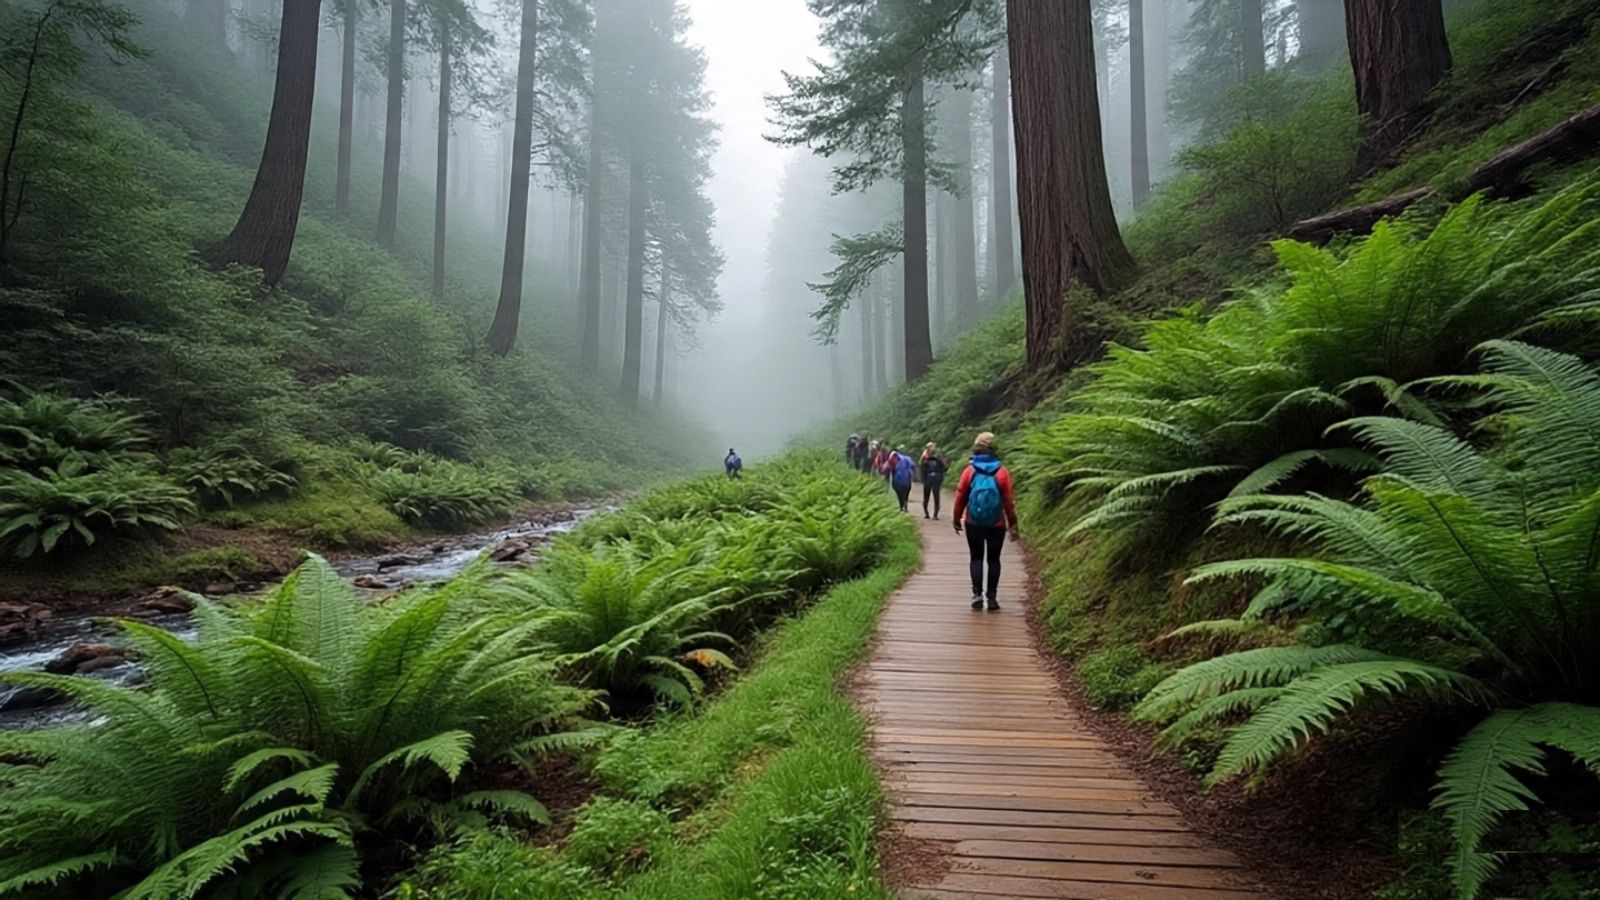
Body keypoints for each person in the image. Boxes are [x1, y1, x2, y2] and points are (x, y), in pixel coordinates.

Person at [952, 432, 1019, 611]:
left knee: (976, 558)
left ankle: (976, 595)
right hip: (996, 523)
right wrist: (1013, 523)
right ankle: (992, 598)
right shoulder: (1002, 472)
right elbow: (1008, 501)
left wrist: (956, 518)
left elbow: (960, 496)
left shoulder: (970, 470)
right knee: (994, 560)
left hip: (973, 521)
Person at [919, 442, 948, 520]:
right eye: (930, 447)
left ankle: (935, 514)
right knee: (926, 497)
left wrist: (940, 476)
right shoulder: (924, 457)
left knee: (936, 496)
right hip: (928, 478)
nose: (932, 449)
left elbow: (945, 468)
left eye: (932, 447)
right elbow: (922, 469)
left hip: (936, 477)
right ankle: (926, 513)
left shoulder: (938, 457)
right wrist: (923, 479)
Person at [891, 444, 915, 512]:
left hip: (898, 479)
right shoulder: (908, 459)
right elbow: (913, 467)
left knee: (899, 494)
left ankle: (901, 506)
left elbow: (891, 467)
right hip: (907, 479)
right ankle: (905, 504)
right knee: (906, 493)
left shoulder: (895, 458)